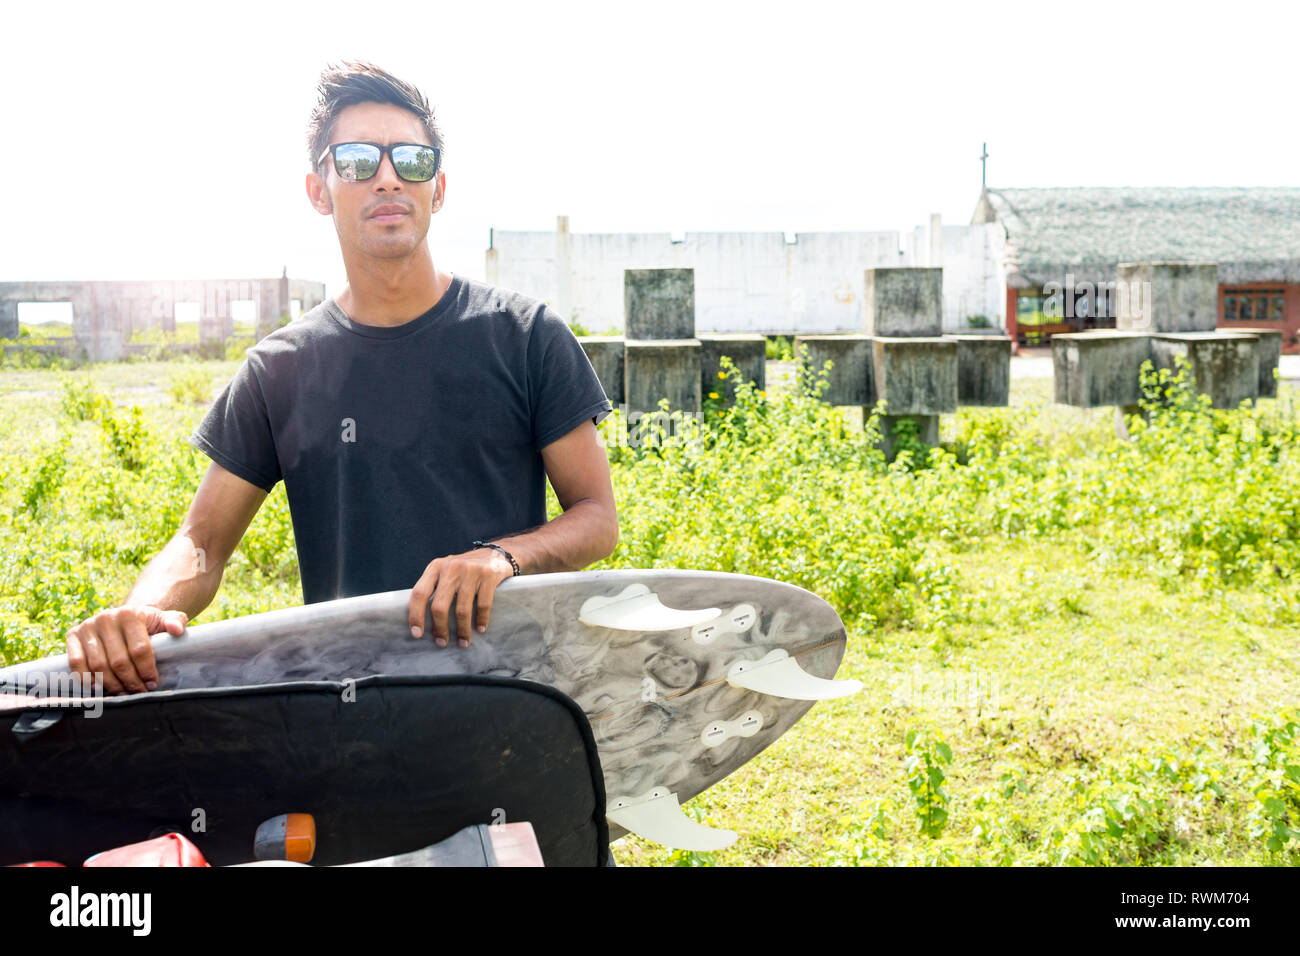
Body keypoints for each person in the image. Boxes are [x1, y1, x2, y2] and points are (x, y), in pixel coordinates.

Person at [65, 61, 618, 695]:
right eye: (356, 160)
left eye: (412, 160)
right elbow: (202, 542)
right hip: (345, 707)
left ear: (438, 188)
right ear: (319, 189)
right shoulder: (280, 368)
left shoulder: (525, 335)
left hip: (510, 696)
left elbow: (596, 516)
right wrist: (143, 609)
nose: (387, 177)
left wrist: (502, 557)